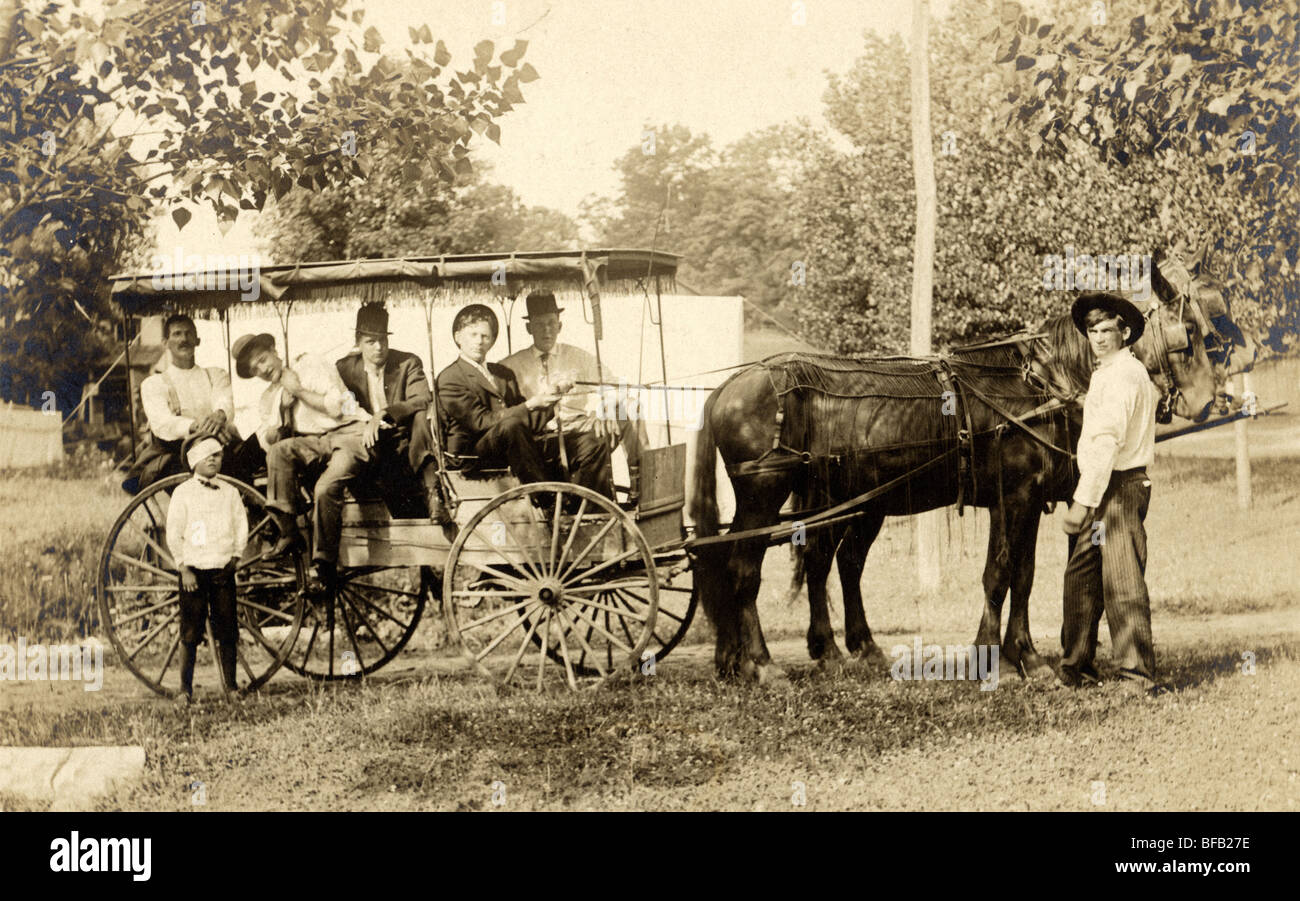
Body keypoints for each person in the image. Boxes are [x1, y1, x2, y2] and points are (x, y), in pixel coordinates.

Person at [1058, 292, 1165, 697]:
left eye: (1107, 330)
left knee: (1121, 580)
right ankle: (1076, 668)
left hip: (1119, 490)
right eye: (1092, 331)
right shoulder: (1107, 373)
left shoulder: (1123, 374)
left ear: (1124, 331)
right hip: (1106, 488)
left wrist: (1081, 503)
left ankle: (1138, 678)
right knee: (1082, 577)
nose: (1099, 338)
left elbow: (1107, 443)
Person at [232, 332, 369, 585]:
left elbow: (339, 407)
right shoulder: (268, 398)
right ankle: (288, 531)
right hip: (317, 443)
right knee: (278, 452)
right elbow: (267, 441)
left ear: (274, 350)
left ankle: (324, 564)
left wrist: (299, 391)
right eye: (255, 369)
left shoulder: (310, 365)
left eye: (263, 359)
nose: (262, 369)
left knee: (325, 488)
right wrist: (281, 411)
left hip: (350, 432)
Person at [502, 291, 643, 501]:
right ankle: (583, 505)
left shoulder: (579, 357)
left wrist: (605, 406)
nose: (547, 330)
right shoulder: (510, 366)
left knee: (627, 409)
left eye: (551, 323)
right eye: (539, 324)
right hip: (541, 439)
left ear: (560, 326)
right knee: (594, 441)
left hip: (580, 429)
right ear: (529, 328)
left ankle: (639, 485)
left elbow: (615, 384)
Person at [335, 303, 451, 524]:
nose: (378, 347)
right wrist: (367, 422)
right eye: (371, 342)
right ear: (358, 342)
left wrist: (385, 413)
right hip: (371, 441)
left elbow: (421, 398)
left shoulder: (407, 363)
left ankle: (434, 495)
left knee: (420, 417)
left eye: (383, 340)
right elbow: (341, 406)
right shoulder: (344, 368)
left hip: (406, 438)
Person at [435, 304, 567, 493]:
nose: (479, 342)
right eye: (473, 335)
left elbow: (524, 419)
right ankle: (546, 498)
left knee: (585, 441)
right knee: (510, 426)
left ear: (492, 341)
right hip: (472, 456)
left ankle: (586, 507)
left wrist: (551, 399)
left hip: (509, 445)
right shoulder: (451, 377)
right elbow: (480, 422)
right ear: (458, 337)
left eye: (485, 336)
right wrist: (531, 403)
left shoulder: (502, 373)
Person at [125, 313, 264, 493]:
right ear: (165, 342)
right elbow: (162, 423)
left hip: (219, 450)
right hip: (177, 456)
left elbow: (224, 402)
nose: (184, 339)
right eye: (177, 334)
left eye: (189, 334)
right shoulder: (154, 384)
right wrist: (196, 426)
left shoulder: (215, 375)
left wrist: (219, 415)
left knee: (251, 450)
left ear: (197, 340)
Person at [164, 436, 248, 702]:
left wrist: (235, 558)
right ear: (193, 460)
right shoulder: (183, 493)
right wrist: (183, 567)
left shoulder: (230, 492)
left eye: (218, 455)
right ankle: (185, 689)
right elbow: (174, 532)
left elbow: (240, 526)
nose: (213, 459)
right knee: (189, 631)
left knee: (227, 630)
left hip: (222, 569)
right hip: (194, 572)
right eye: (207, 454)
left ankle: (231, 687)